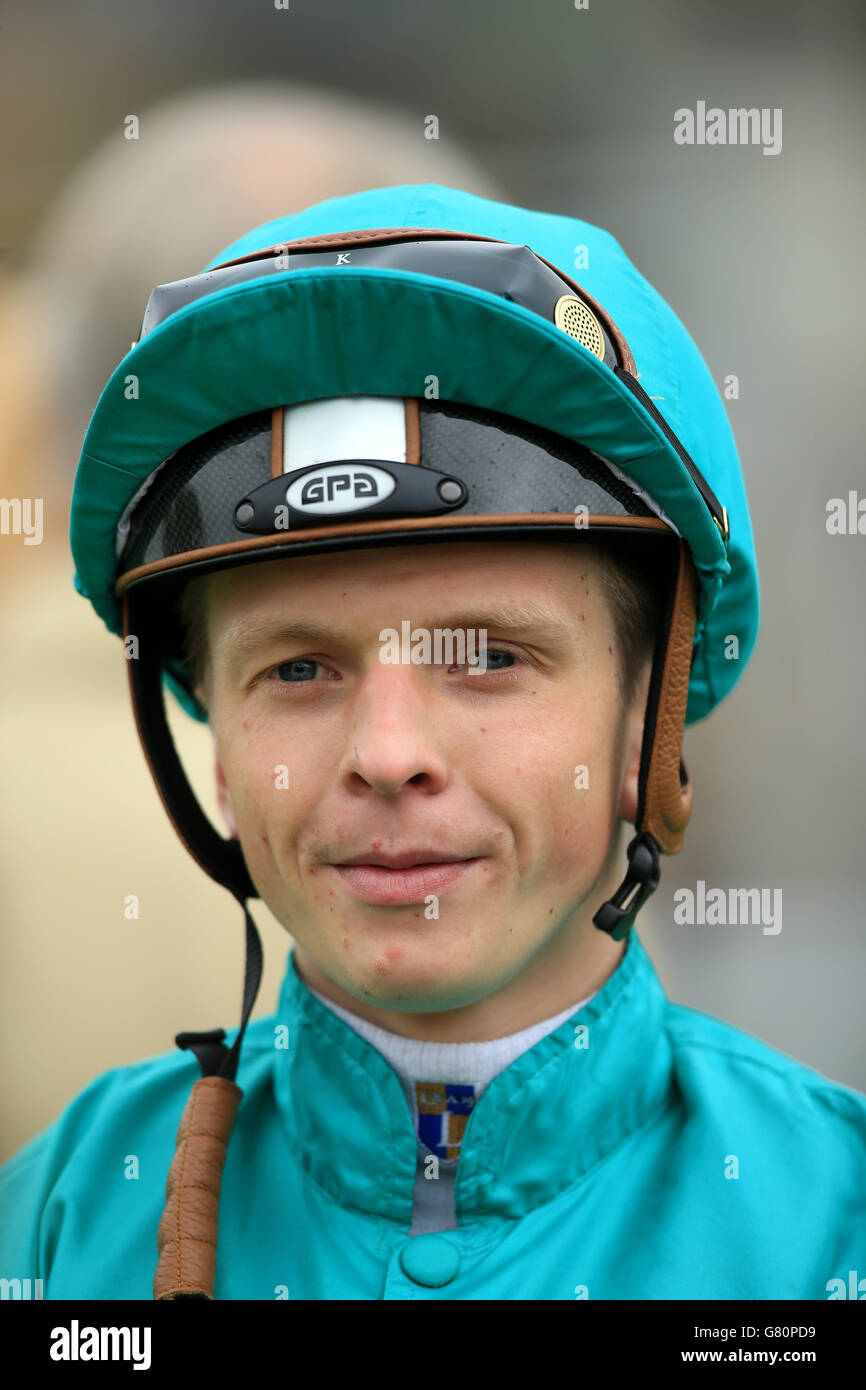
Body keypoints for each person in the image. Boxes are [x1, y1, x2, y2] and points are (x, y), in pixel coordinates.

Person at [1, 184, 863, 1301]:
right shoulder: (59, 1225)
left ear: (644, 711)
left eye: (489, 657)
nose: (387, 751)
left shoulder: (828, 1229)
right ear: (212, 733)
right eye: (298, 668)